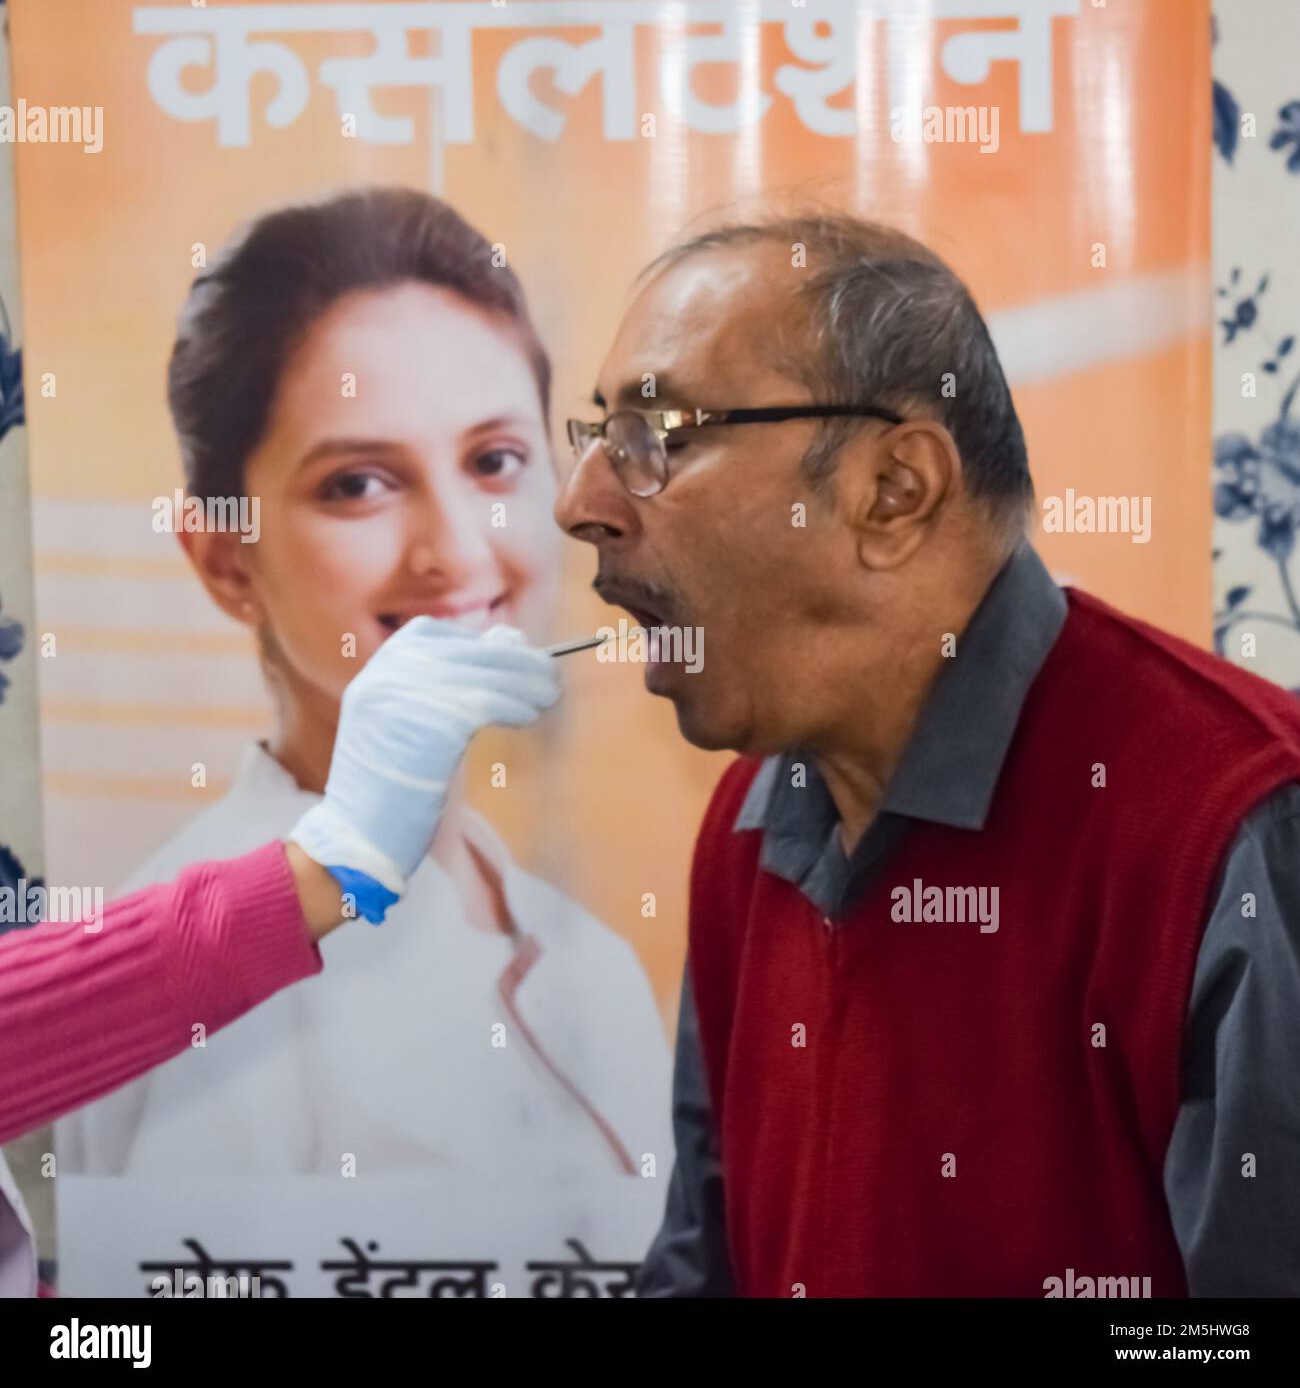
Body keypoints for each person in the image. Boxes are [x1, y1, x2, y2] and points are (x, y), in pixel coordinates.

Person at [555, 214, 1300, 1297]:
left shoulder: (1228, 828)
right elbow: (705, 1267)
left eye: (658, 431)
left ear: (894, 491)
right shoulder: (749, 825)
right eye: (597, 434)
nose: (583, 504)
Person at [56, 189, 671, 1289]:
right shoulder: (197, 996)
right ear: (224, 560)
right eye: (359, 483)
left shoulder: (593, 961)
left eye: (493, 462)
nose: (449, 550)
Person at [0, 613, 559, 1295]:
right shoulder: (182, 892)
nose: (451, 554)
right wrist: (326, 869)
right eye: (351, 496)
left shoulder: (586, 954)